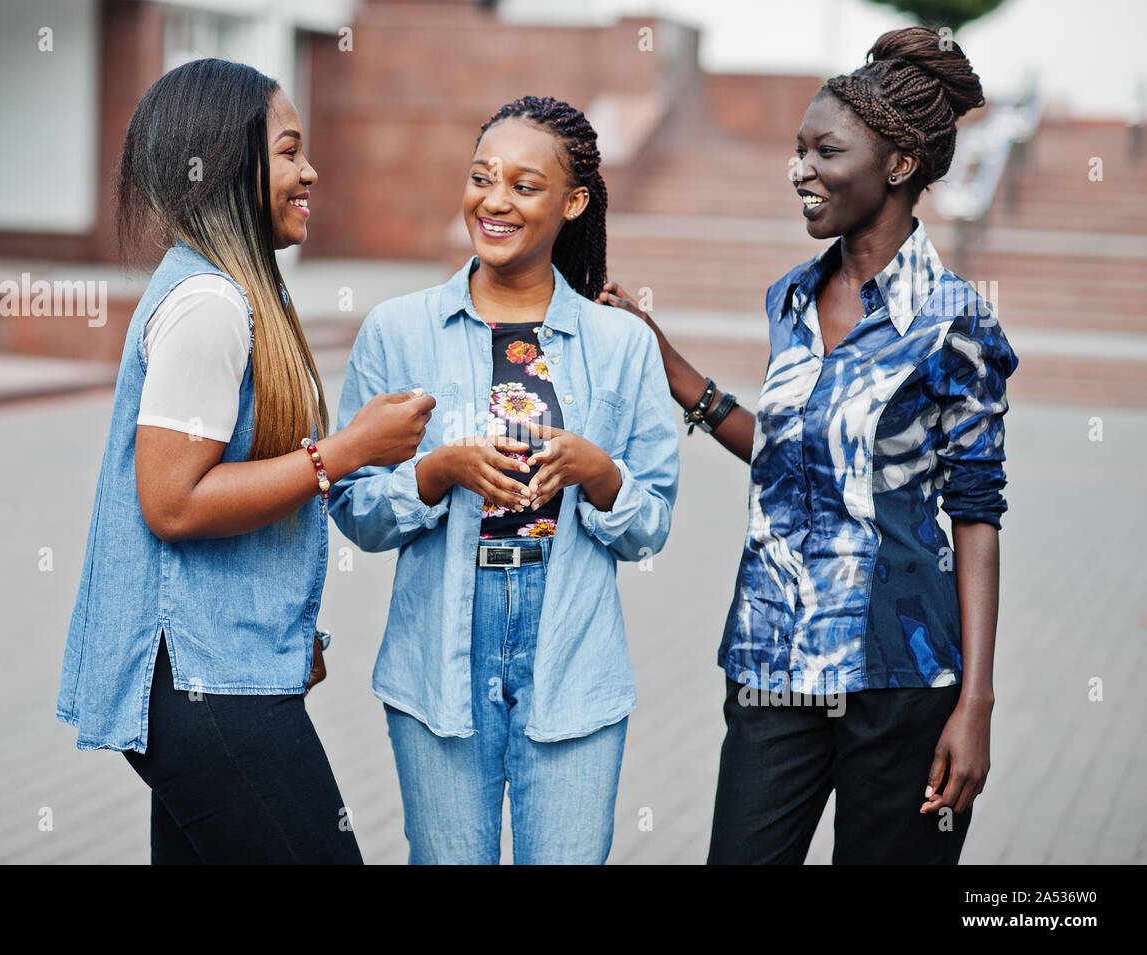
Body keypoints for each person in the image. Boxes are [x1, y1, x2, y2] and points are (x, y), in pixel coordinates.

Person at [600, 27, 1018, 864]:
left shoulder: (955, 320)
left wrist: (975, 705)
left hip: (901, 679)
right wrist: (666, 360)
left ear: (899, 164)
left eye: (825, 150)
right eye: (797, 150)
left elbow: (975, 514)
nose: (800, 170)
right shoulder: (791, 297)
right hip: (771, 656)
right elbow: (794, 456)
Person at [54, 58, 435, 864]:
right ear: (231, 165)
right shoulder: (210, 304)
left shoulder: (236, 290)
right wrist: (347, 451)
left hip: (218, 668)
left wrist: (288, 632)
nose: (310, 171)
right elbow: (173, 501)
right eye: (290, 151)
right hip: (200, 682)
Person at [330, 95, 680, 864]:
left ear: (573, 201)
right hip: (439, 657)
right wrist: (434, 473)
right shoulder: (399, 329)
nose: (494, 201)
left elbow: (651, 520)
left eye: (524, 186)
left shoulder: (621, 343)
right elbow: (354, 509)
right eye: (482, 178)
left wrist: (599, 474)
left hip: (572, 652)